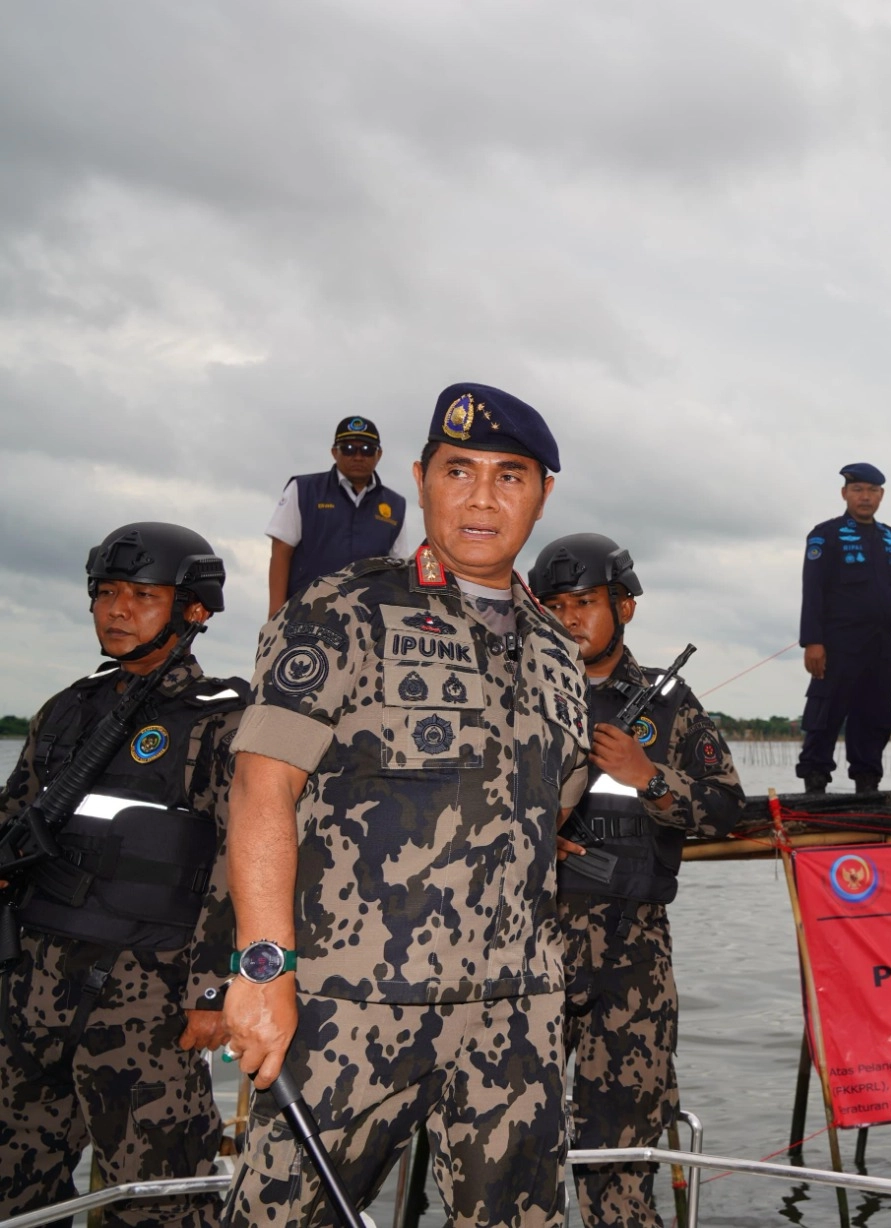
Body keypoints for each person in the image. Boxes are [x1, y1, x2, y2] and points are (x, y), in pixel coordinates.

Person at [221, 384, 589, 1228]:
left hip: (517, 1015)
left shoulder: (559, 649)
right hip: (353, 1007)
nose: (483, 498)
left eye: (509, 476)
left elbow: (549, 810)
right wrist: (261, 968)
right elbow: (261, 784)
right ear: (420, 480)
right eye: (459, 471)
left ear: (542, 494)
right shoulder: (344, 608)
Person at [0, 523, 245, 1228]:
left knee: (160, 1197)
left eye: (142, 595)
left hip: (145, 1000)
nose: (116, 609)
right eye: (107, 592)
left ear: (192, 610)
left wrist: (211, 990)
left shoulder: (222, 722)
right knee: (16, 1186)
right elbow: (17, 818)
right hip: (33, 983)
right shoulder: (66, 710)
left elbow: (240, 862)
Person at [527, 533, 742, 1228]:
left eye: (584, 603)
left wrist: (647, 775)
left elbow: (727, 811)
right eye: (555, 605)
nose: (569, 619)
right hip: (524, 949)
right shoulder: (514, 694)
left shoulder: (671, 705)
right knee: (506, 1148)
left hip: (632, 957)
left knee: (622, 1157)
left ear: (624, 607)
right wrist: (531, 838)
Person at [795, 463, 891, 794]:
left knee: (876, 716)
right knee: (825, 713)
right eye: (858, 490)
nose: (865, 497)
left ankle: (867, 783)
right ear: (844, 493)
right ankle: (815, 782)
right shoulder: (826, 534)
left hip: (881, 645)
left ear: (881, 495)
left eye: (872, 491)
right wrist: (812, 641)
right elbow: (813, 590)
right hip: (837, 643)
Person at [265, 416, 408, 615]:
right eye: (348, 449)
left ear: (379, 454)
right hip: (305, 614)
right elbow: (281, 551)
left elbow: (398, 570)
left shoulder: (396, 505)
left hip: (366, 622)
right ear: (334, 452)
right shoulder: (303, 490)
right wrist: (275, 615)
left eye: (367, 450)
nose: (358, 457)